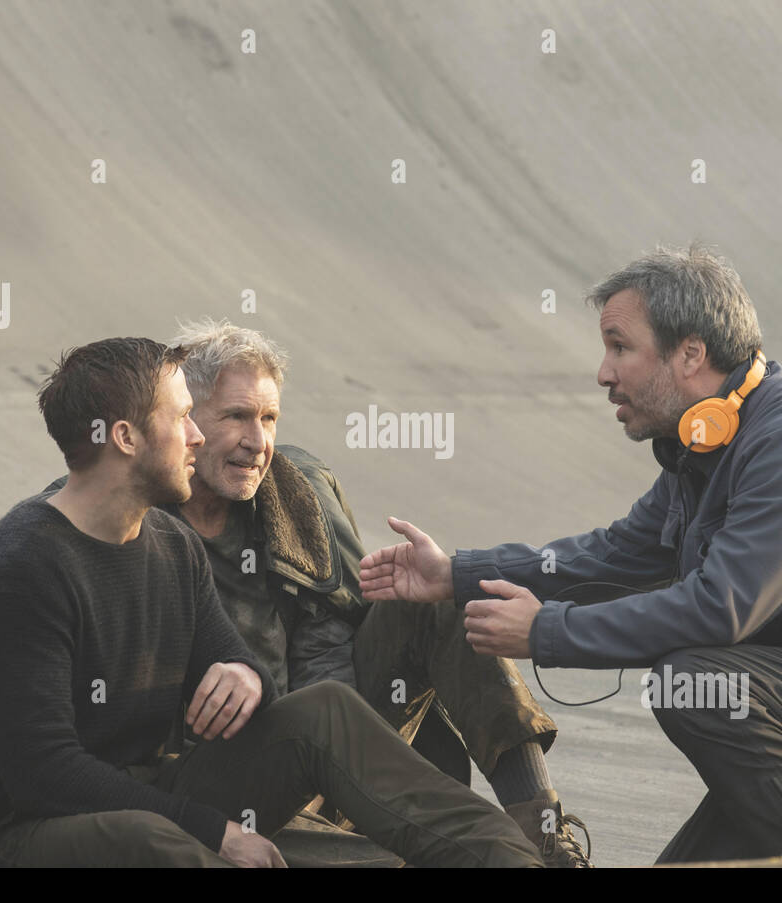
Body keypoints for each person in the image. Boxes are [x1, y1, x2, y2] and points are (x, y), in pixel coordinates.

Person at [359, 243, 782, 867]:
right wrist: (458, 574)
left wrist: (547, 630)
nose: (603, 371)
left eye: (621, 347)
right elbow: (612, 555)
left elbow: (718, 608)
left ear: (690, 354)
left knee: (692, 679)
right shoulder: (701, 446)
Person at [0, 337, 542, 868]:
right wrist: (213, 831)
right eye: (182, 418)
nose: (196, 435)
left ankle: (516, 861)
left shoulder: (171, 543)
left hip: (152, 795)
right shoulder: (25, 568)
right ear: (125, 437)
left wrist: (245, 675)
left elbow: (253, 686)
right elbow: (43, 775)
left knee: (322, 712)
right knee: (157, 841)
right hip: (22, 837)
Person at [144, 319, 593, 867]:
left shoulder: (296, 494)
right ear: (186, 420)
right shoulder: (133, 516)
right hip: (222, 782)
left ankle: (542, 834)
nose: (257, 442)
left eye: (268, 418)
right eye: (236, 416)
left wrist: (341, 766)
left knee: (438, 596)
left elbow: (331, 635)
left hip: (332, 737)